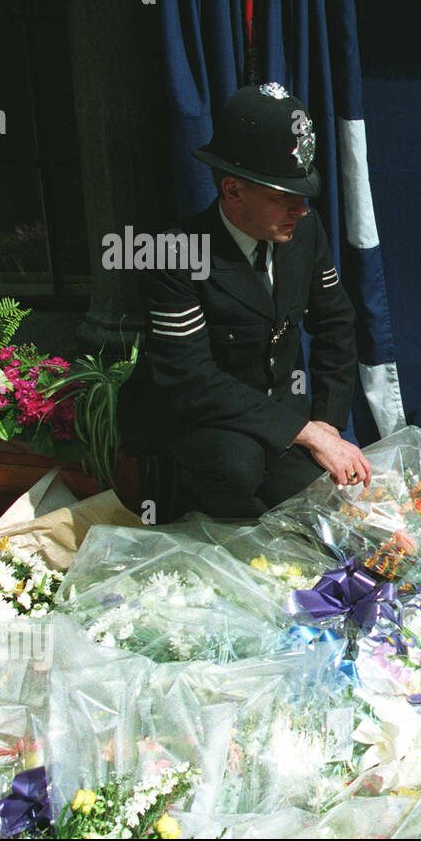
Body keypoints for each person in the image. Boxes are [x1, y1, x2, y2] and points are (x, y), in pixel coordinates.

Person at [135, 82, 371, 518]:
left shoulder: (305, 230)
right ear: (233, 190)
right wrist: (305, 432)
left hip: (283, 410)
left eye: (303, 196)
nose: (300, 210)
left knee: (320, 501)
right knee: (235, 473)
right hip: (210, 420)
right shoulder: (177, 253)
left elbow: (336, 323)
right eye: (283, 198)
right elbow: (190, 380)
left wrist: (328, 424)